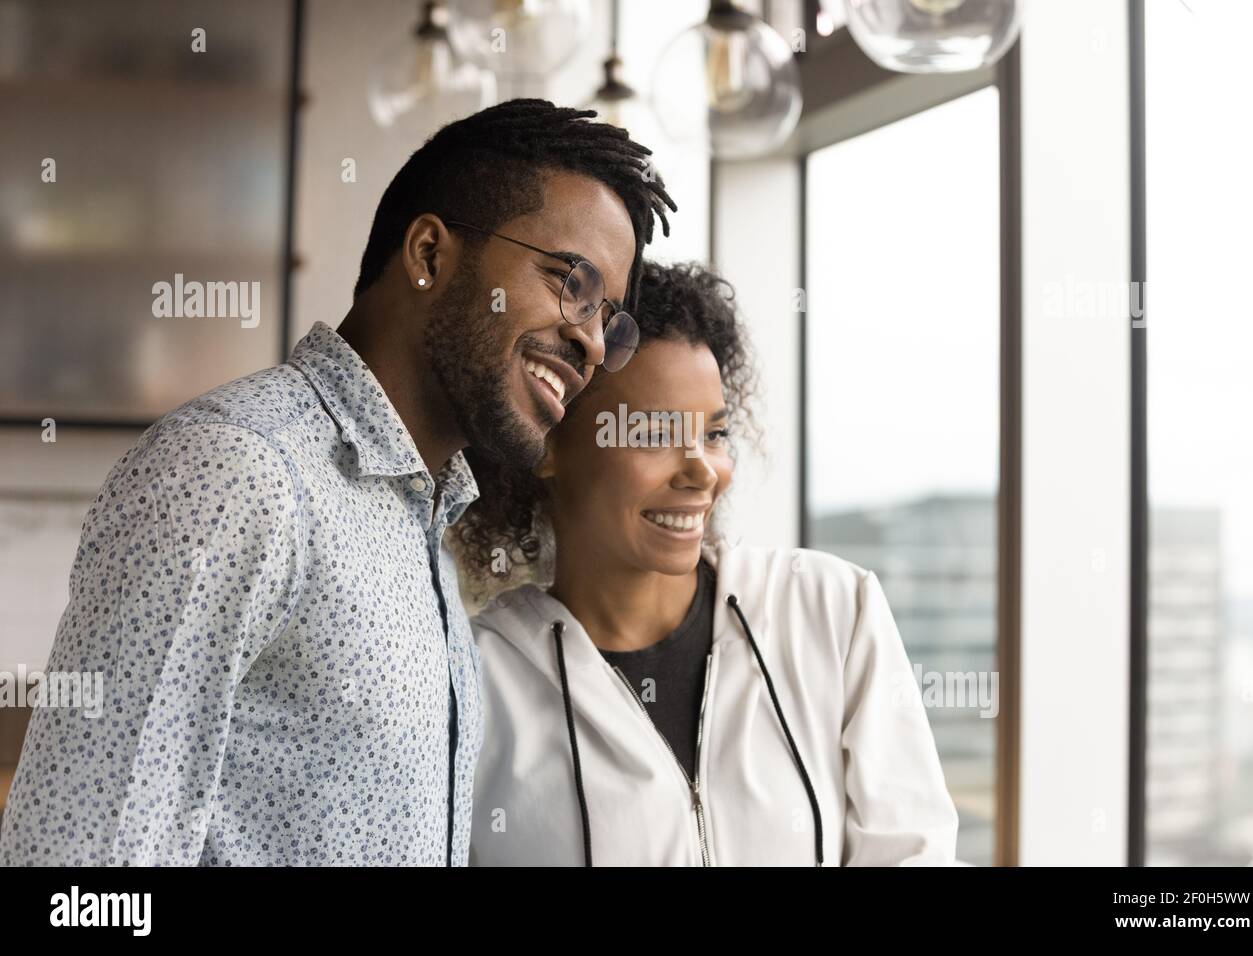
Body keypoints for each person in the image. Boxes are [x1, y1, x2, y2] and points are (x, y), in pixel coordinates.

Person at [0, 99, 674, 866]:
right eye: (567, 281)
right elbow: (75, 877)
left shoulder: (424, 520)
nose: (589, 340)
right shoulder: (239, 471)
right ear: (428, 254)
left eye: (608, 320)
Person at [458, 261, 959, 866]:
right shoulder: (476, 681)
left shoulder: (832, 610)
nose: (702, 471)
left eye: (714, 433)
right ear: (546, 445)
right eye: (653, 434)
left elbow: (915, 854)